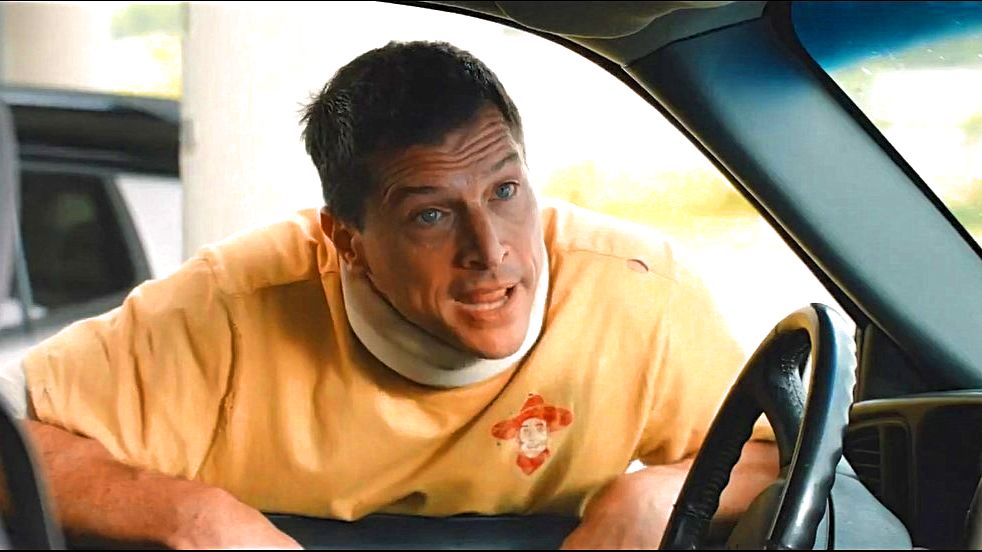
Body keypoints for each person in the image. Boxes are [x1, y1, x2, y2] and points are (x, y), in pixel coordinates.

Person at [0, 41, 776, 549]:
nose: (492, 250)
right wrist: (193, 517)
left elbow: (785, 457)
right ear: (348, 241)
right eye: (432, 214)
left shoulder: (635, 294)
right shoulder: (229, 311)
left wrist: (656, 496)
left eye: (505, 190)